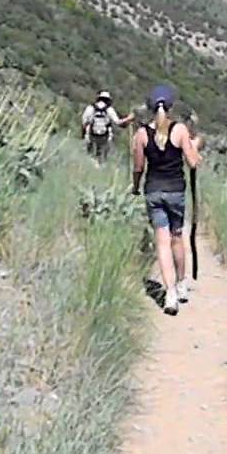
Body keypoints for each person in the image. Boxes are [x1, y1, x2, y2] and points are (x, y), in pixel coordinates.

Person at [131, 84, 202, 315]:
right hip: (176, 192)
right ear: (170, 106)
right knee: (177, 238)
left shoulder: (141, 134)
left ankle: (169, 292)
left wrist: (135, 186)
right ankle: (181, 285)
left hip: (153, 191)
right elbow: (193, 162)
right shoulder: (180, 130)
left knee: (161, 242)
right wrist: (196, 145)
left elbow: (139, 167)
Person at [81, 91, 133, 165]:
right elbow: (118, 122)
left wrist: (83, 135)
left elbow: (84, 122)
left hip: (91, 136)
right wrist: (129, 118)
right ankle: (100, 166)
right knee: (101, 157)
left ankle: (92, 166)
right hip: (104, 137)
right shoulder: (109, 109)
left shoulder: (90, 108)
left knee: (90, 155)